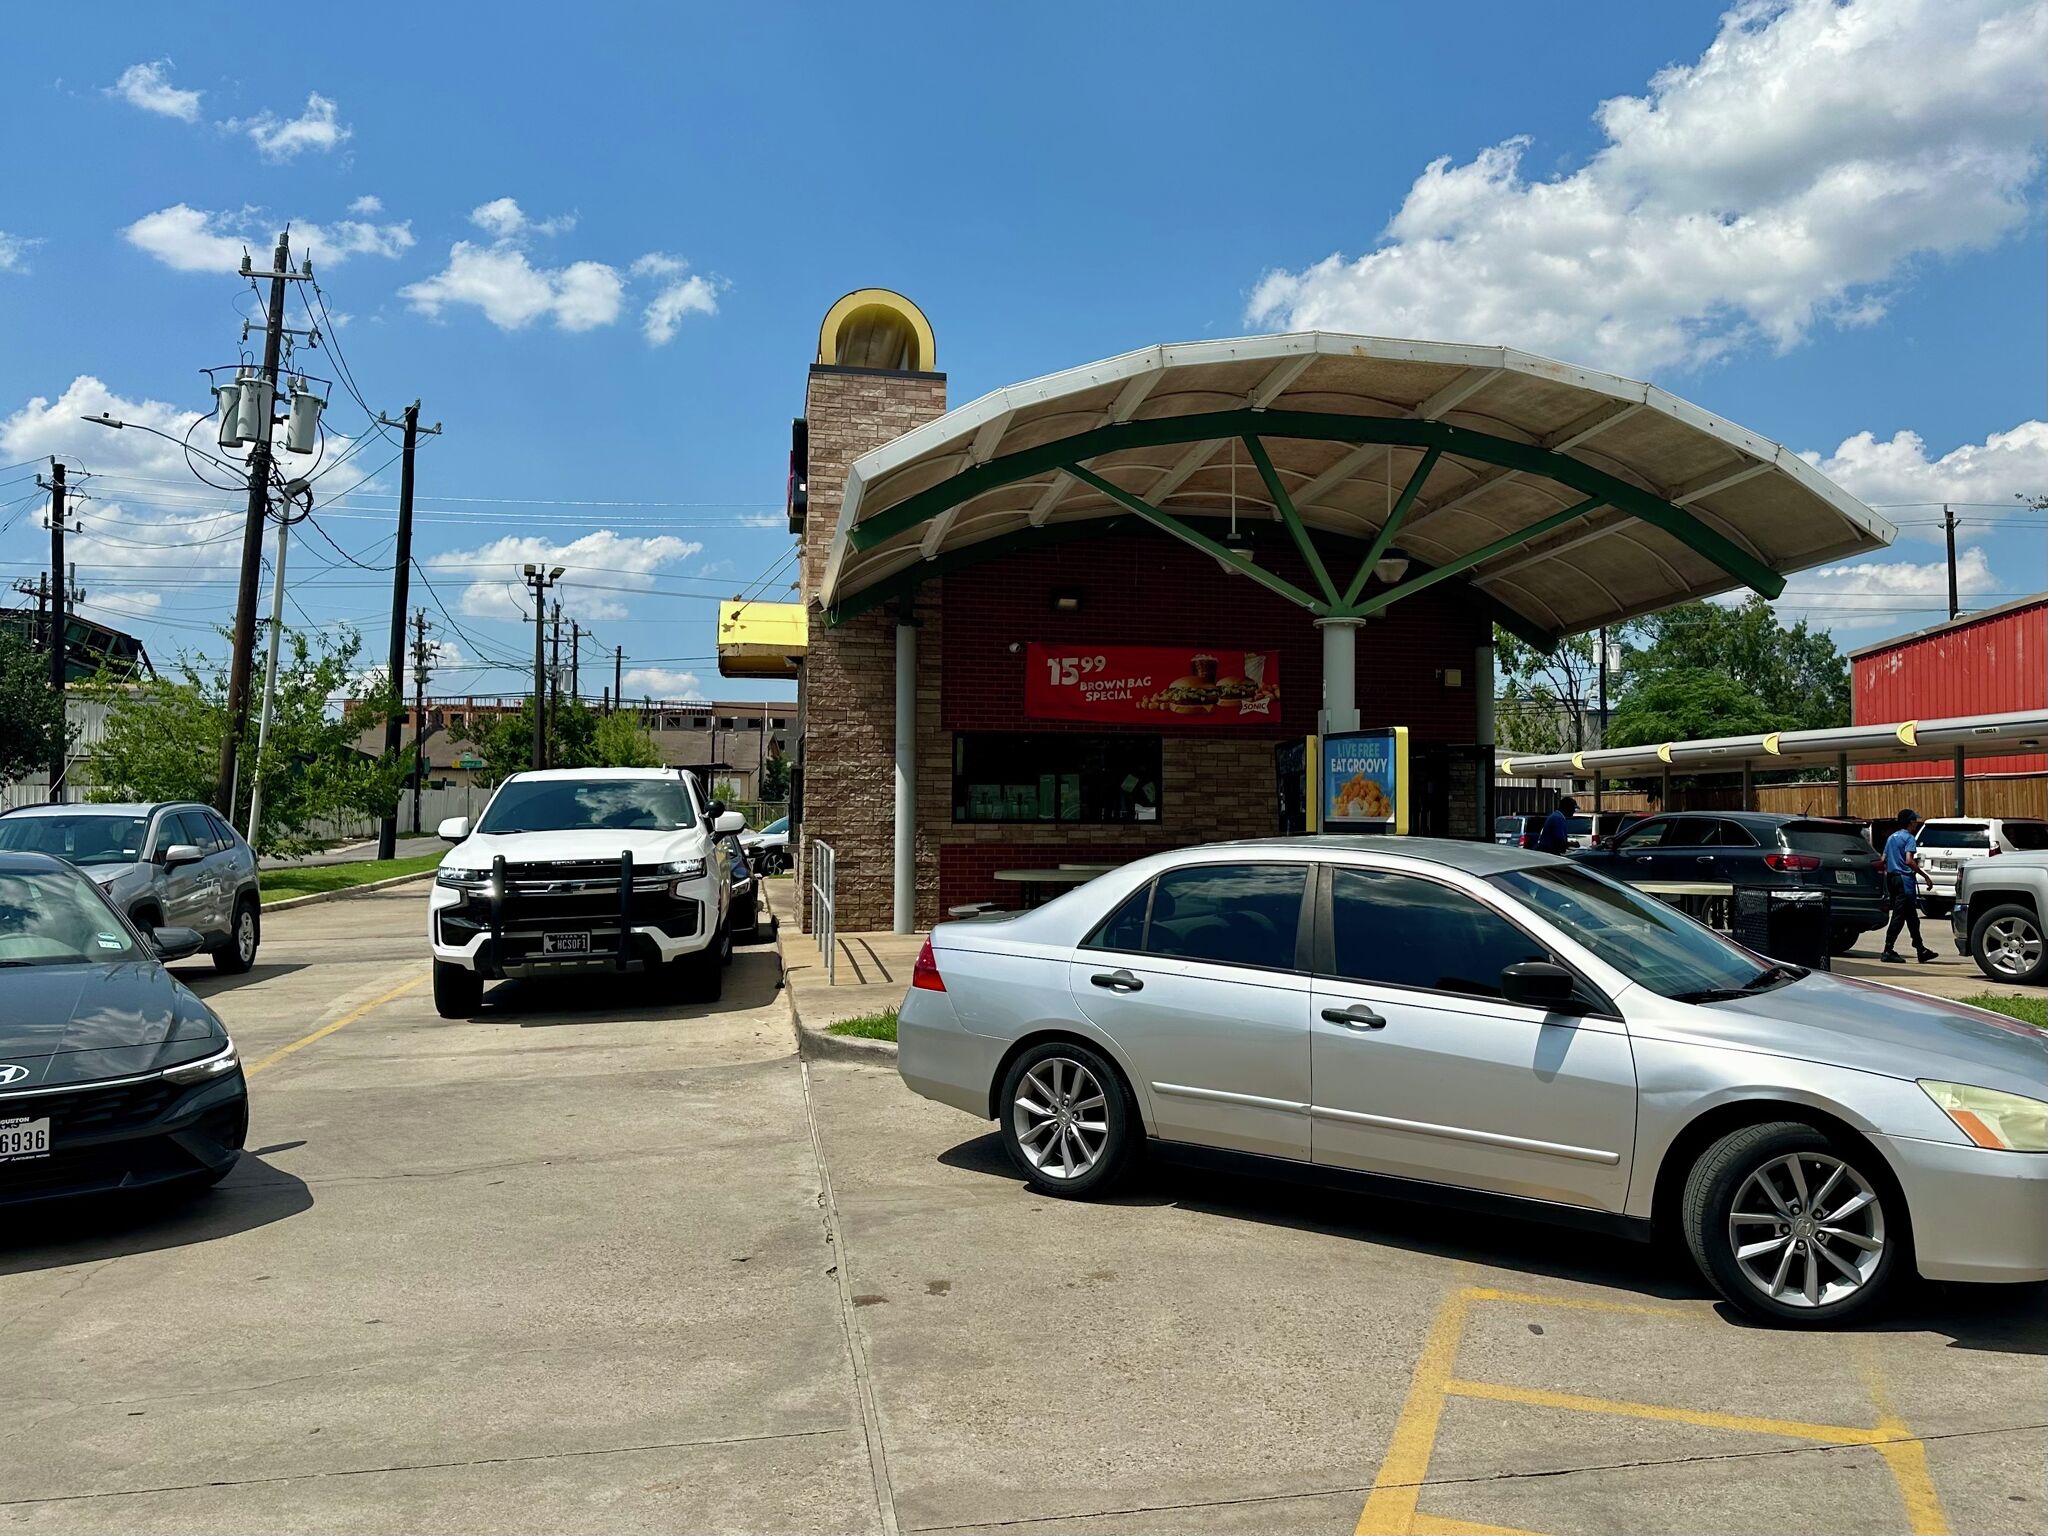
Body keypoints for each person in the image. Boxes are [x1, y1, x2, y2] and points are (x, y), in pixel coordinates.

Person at [1880, 809, 1938, 964]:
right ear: (1910, 822)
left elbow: (1883, 858)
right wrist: (1925, 876)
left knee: (1911, 917)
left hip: (1892, 878)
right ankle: (1888, 950)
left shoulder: (1892, 837)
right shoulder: (1909, 838)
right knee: (1899, 916)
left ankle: (1920, 949)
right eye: (1915, 821)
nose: (1916, 824)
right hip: (1904, 880)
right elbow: (1909, 860)